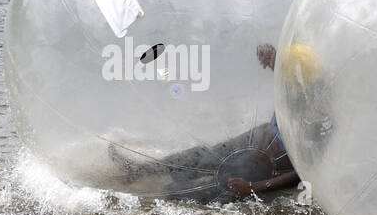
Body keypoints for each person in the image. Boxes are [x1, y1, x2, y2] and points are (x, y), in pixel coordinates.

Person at [108, 42, 301, 203]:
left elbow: (302, 174)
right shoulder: (297, 83)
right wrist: (272, 58)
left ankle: (148, 204)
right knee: (199, 157)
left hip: (261, 169)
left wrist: (253, 187)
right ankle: (139, 171)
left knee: (187, 193)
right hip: (254, 139)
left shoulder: (316, 117)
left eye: (286, 70)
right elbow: (288, 76)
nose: (283, 77)